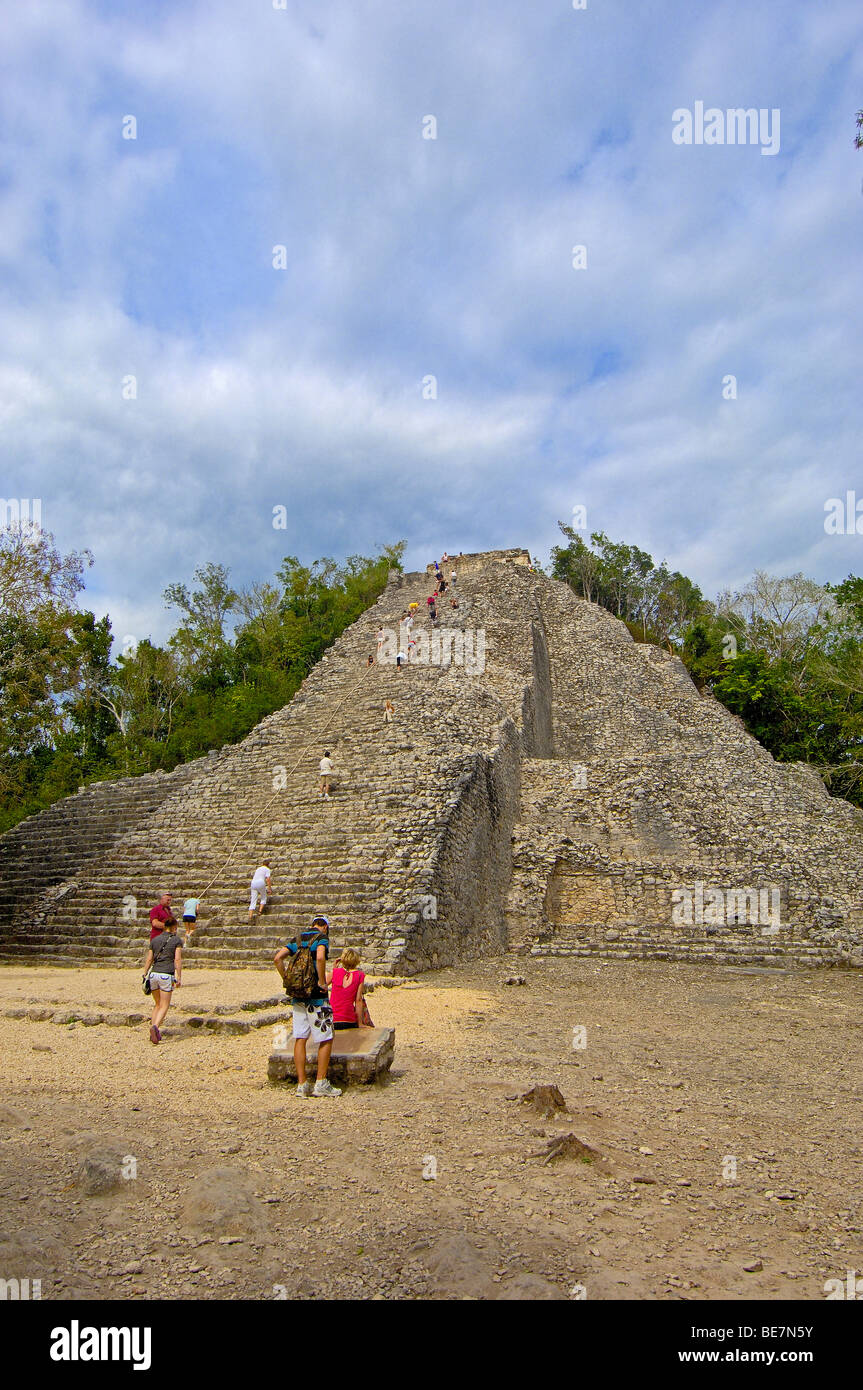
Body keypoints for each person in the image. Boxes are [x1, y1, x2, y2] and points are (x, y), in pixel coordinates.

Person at [274, 915, 341, 1098]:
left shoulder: (298, 938)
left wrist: (287, 980)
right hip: (317, 996)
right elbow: (320, 958)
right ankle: (321, 1082)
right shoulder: (321, 938)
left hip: (298, 995)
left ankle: (302, 1084)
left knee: (300, 1037)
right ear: (325, 927)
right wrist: (321, 982)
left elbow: (277, 958)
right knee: (326, 1037)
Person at [144, 926, 183, 1044]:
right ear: (173, 927)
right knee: (165, 1005)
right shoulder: (176, 940)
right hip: (166, 974)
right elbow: (177, 959)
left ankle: (153, 1031)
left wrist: (145, 973)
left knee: (157, 1004)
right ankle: (155, 1027)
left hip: (153, 974)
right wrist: (179, 976)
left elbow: (149, 959)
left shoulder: (154, 940)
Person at [327, 949, 367, 1030]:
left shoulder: (335, 972)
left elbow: (322, 985)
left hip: (333, 1018)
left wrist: (334, 969)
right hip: (349, 1018)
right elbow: (358, 1000)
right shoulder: (360, 975)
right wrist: (360, 1023)